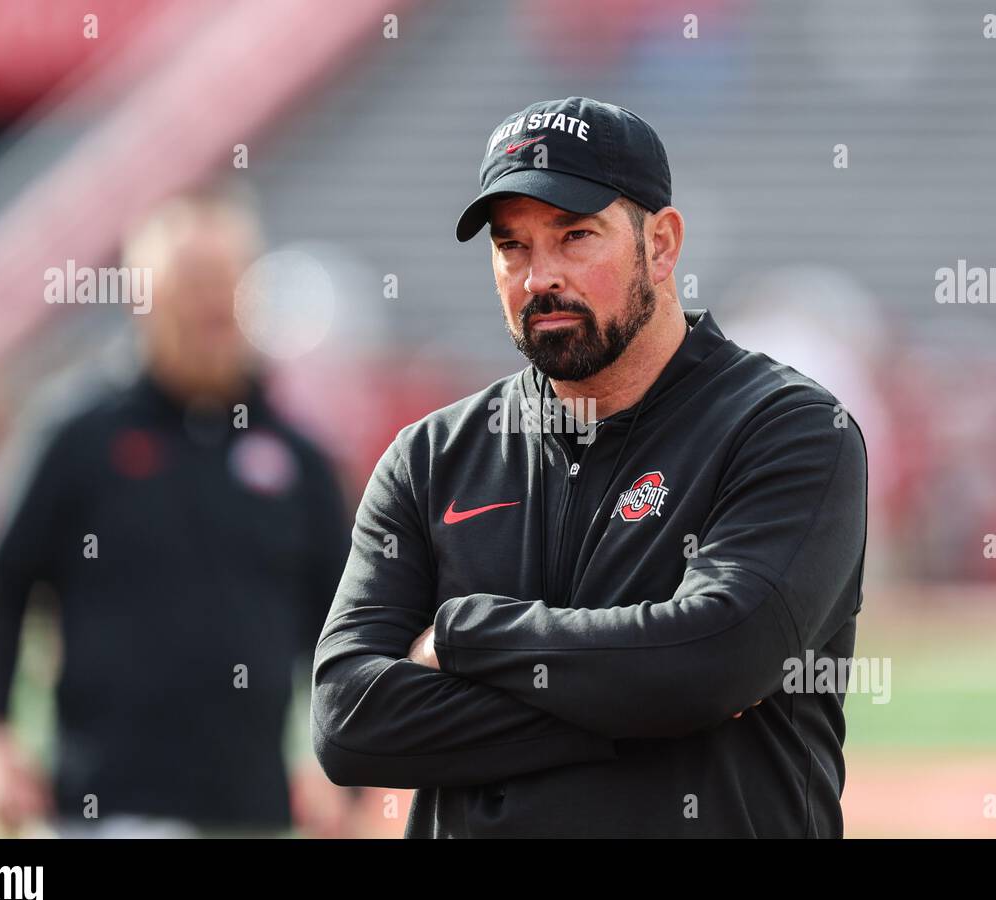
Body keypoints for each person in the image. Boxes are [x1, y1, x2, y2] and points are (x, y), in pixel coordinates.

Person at [311, 97, 868, 837]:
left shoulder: (786, 428)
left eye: (576, 236)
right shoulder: (431, 457)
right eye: (512, 246)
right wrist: (652, 710)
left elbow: (713, 656)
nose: (540, 276)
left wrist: (465, 636)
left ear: (662, 245)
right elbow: (350, 719)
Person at [0, 187, 357, 837]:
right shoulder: (77, 433)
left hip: (254, 810)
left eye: (225, 279)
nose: (210, 299)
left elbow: (346, 619)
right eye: (190, 280)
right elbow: (5, 576)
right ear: (142, 296)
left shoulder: (299, 458)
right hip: (106, 803)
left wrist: (341, 764)